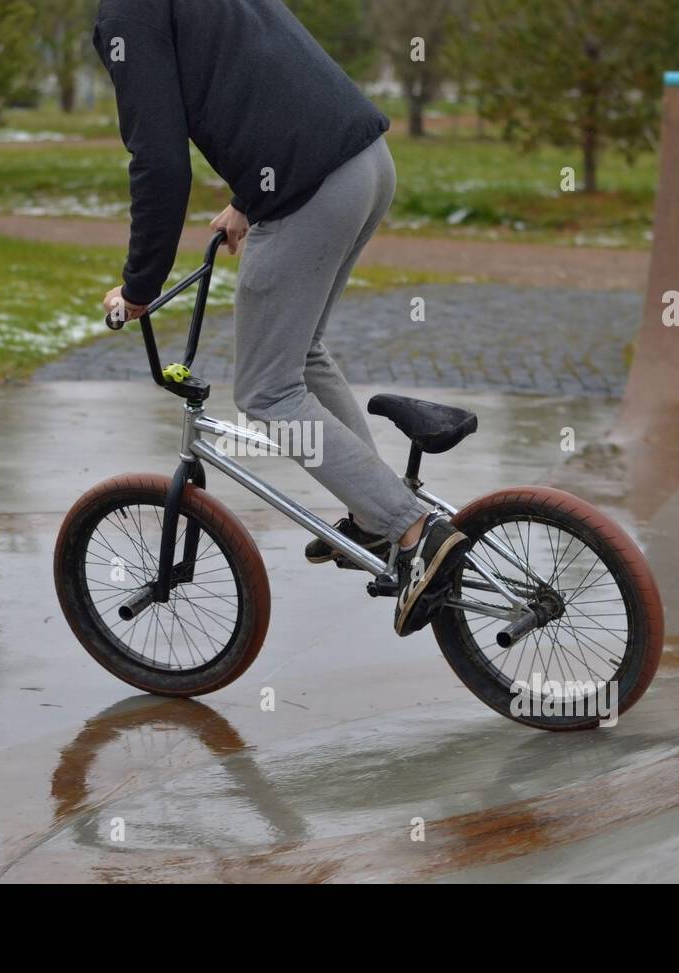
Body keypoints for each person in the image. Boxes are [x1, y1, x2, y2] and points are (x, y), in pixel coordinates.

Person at [92, 0, 468, 635]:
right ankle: (379, 517)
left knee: (267, 393)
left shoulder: (127, 12)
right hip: (364, 164)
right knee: (303, 352)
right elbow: (266, 68)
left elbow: (159, 162)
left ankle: (411, 531)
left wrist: (139, 288)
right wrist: (246, 197)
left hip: (310, 188)